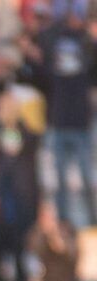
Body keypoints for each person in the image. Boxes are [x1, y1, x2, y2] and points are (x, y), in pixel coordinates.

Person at [35, 11, 97, 225]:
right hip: (59, 120)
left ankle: (93, 221)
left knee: (88, 177)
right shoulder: (53, 39)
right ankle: (64, 222)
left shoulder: (88, 44)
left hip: (80, 122)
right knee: (59, 179)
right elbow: (41, 71)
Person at [0, 89, 41, 281]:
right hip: (2, 202)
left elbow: (31, 149)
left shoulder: (26, 133)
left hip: (21, 202)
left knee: (20, 256)